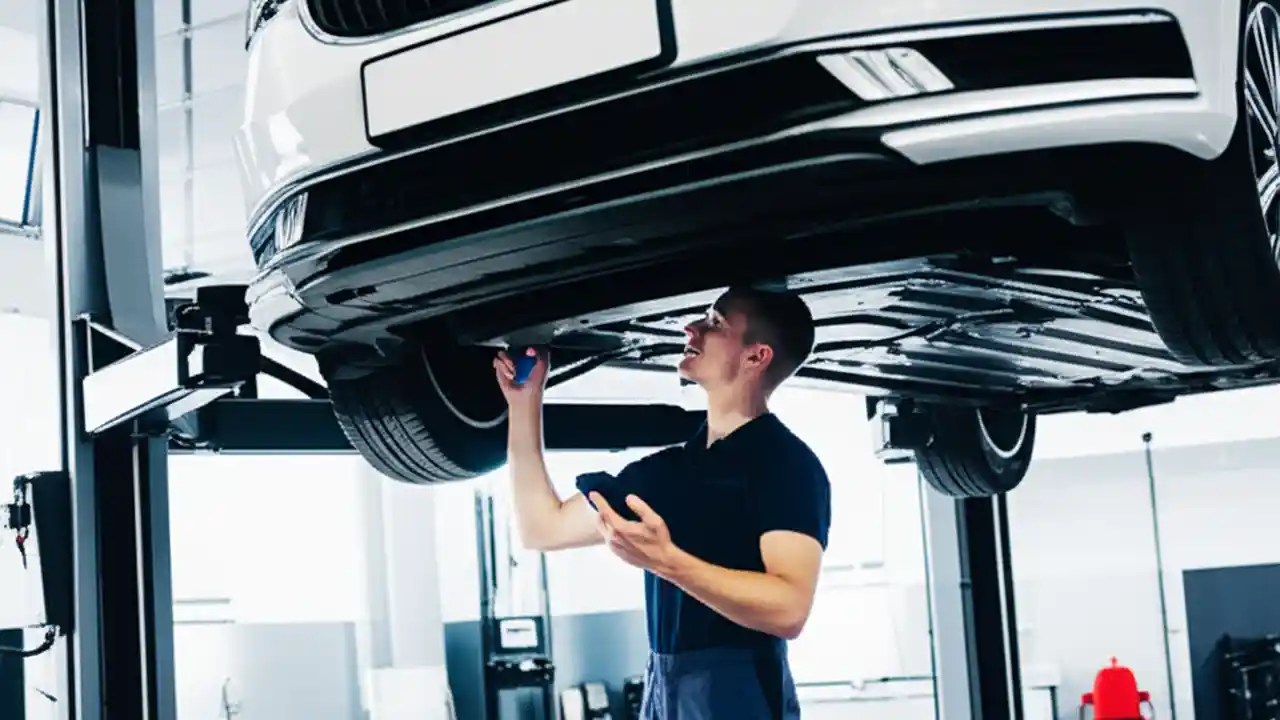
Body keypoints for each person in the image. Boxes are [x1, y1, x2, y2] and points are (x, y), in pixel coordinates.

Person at [493, 285, 831, 719]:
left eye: (715, 322)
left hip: (738, 698)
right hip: (667, 691)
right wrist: (525, 404)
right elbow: (543, 527)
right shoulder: (669, 471)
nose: (691, 327)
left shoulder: (787, 465)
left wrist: (668, 561)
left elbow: (789, 610)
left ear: (755, 357)